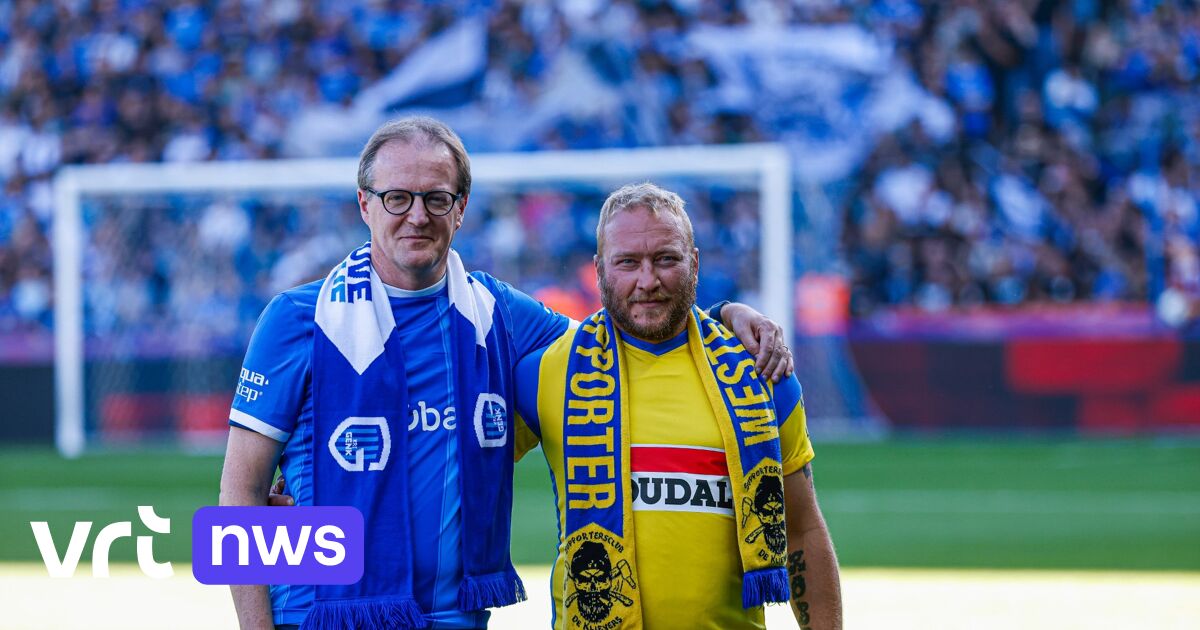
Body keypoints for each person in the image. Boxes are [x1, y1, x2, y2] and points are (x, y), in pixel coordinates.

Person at [220, 116, 794, 630]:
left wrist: (719, 316)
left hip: (456, 616)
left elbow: (625, 334)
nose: (417, 215)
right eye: (397, 198)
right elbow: (239, 494)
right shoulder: (296, 319)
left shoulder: (499, 314)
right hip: (320, 616)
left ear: (461, 207)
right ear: (365, 204)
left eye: (436, 198)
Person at [513, 183, 842, 629]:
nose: (647, 281)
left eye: (666, 259)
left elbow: (801, 530)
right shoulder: (547, 373)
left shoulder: (758, 372)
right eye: (627, 262)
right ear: (598, 271)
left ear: (695, 263)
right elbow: (458, 473)